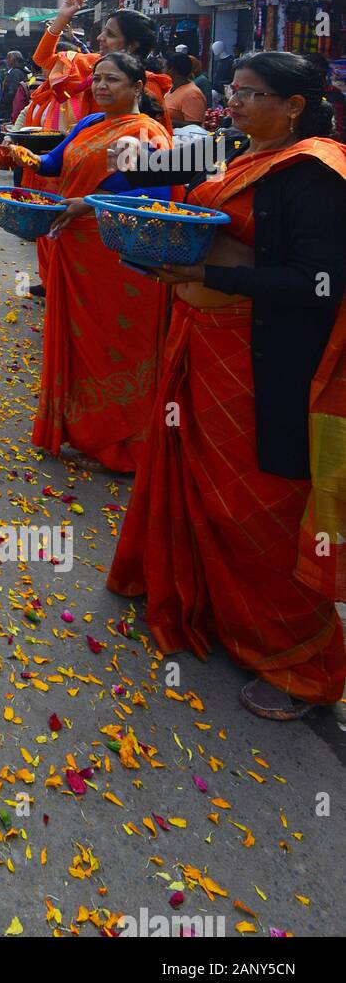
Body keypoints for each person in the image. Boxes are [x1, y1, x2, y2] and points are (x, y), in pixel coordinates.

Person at [107, 52, 346, 719]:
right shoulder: (234, 151)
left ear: (293, 105)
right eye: (230, 92)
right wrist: (126, 156)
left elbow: (316, 283)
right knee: (201, 487)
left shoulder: (315, 176)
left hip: (265, 368)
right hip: (202, 349)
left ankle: (299, 666)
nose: (232, 104)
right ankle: (208, 605)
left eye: (248, 94)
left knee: (257, 507)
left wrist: (213, 279)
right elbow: (135, 173)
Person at [11, 52, 174, 472]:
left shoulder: (142, 133)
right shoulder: (90, 124)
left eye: (112, 80)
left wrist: (92, 203)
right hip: (75, 249)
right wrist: (22, 156)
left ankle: (124, 444)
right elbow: (54, 162)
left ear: (138, 88)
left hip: (117, 254)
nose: (100, 87)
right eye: (97, 80)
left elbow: (157, 198)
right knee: (78, 344)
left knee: (117, 347)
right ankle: (83, 431)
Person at [27, 0, 171, 131]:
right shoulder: (89, 63)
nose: (99, 38)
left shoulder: (149, 86)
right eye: (96, 78)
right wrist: (62, 18)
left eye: (110, 34)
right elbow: (42, 58)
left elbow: (155, 140)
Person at [164, 51, 208, 128]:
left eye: (164, 67)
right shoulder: (173, 87)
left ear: (172, 70)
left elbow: (195, 125)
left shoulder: (192, 94)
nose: (162, 70)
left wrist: (165, 122)